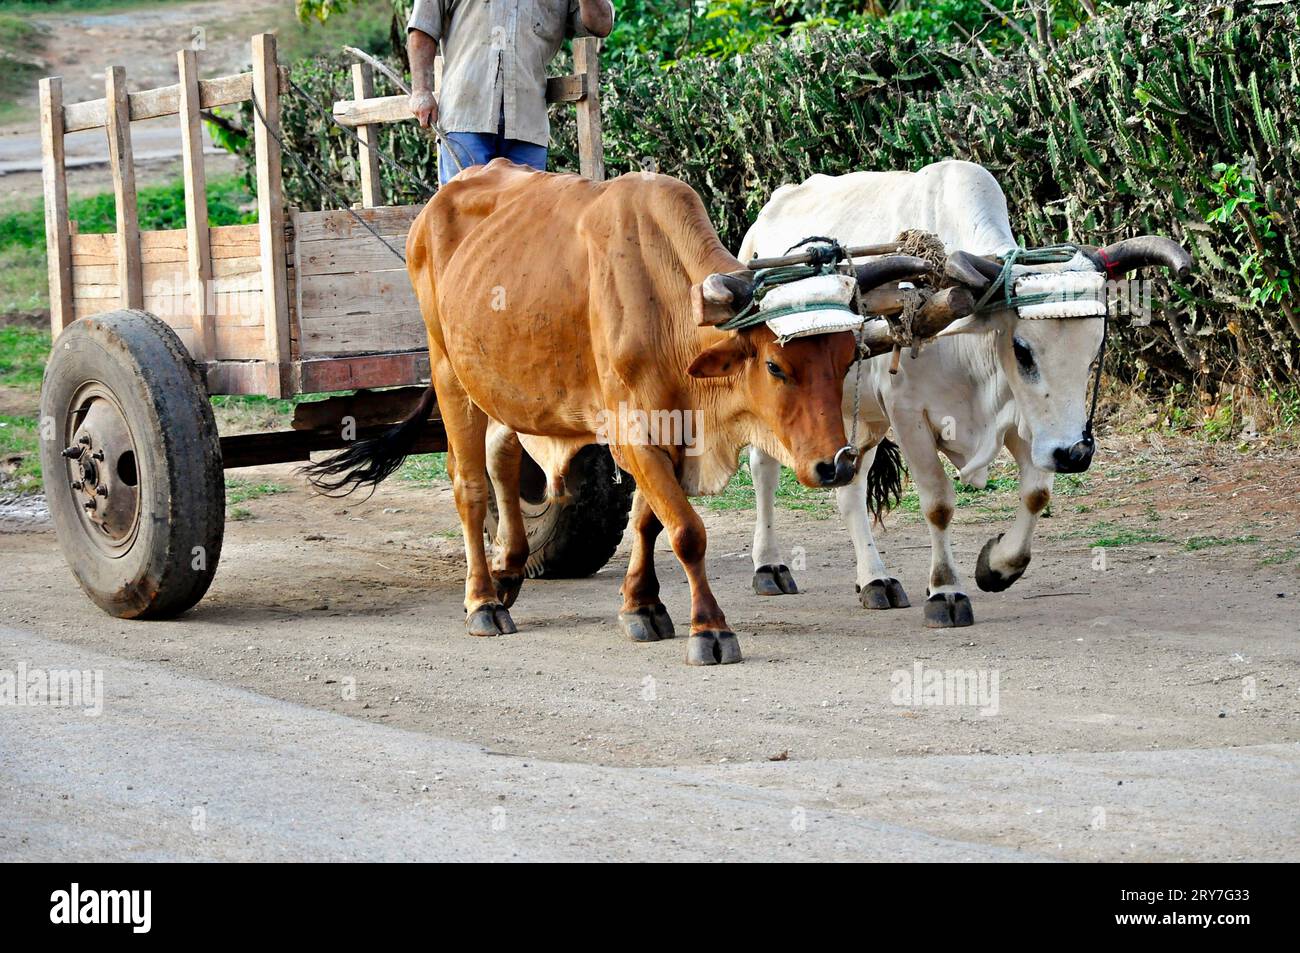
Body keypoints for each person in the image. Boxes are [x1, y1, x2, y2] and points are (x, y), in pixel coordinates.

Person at [406, 0, 615, 185]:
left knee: (523, 222)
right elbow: (423, 26)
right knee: (464, 218)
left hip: (527, 124)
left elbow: (601, 24)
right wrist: (421, 90)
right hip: (465, 118)